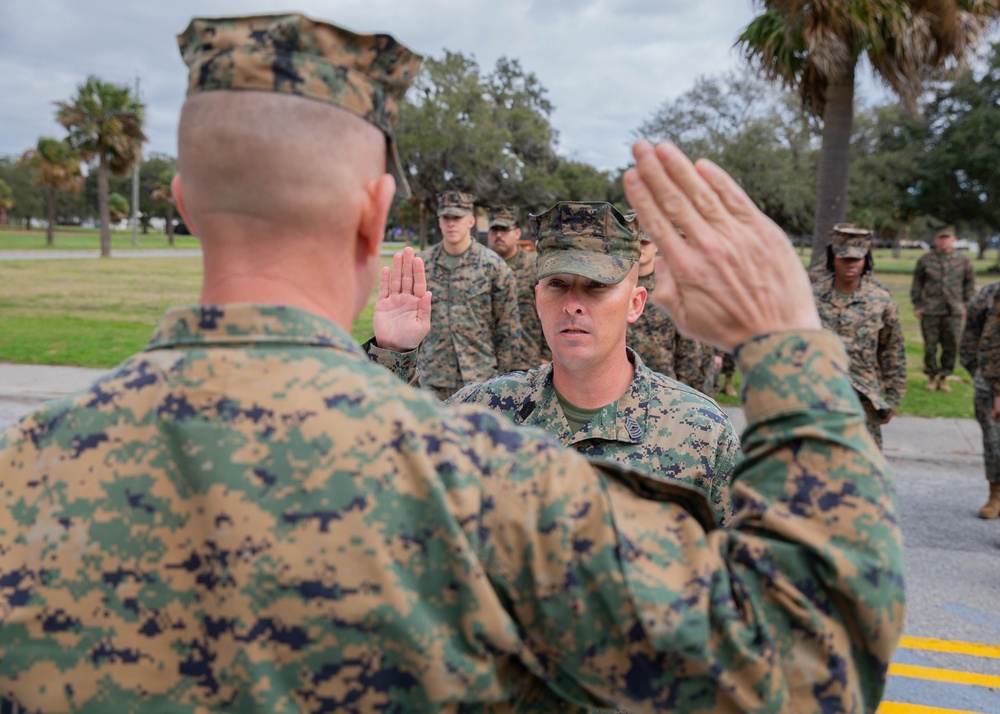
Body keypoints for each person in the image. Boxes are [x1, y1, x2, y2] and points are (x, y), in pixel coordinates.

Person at [0, 13, 905, 712]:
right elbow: (806, 669)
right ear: (375, 213)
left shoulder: (23, 473)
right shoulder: (481, 480)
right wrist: (788, 346)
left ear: (184, 204)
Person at [373, 202, 740, 525]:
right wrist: (394, 352)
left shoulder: (701, 434)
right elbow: (394, 468)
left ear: (635, 304)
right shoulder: (486, 410)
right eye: (558, 284)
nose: (572, 304)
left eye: (596, 286)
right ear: (538, 300)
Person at [415, 190, 521, 400]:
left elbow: (508, 327)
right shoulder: (421, 265)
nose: (451, 223)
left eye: (457, 217)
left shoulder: (493, 265)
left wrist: (502, 379)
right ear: (439, 221)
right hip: (431, 378)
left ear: (471, 221)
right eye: (446, 217)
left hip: (480, 379)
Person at [813, 224, 906, 449]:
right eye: (844, 259)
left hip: (864, 397)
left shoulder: (880, 300)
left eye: (857, 259)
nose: (850, 264)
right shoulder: (811, 298)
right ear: (833, 259)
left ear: (866, 261)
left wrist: (893, 397)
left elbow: (893, 349)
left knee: (866, 463)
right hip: (818, 395)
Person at [625, 229, 703, 387]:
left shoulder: (671, 289)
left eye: (645, 242)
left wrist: (682, 387)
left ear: (656, 246)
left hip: (662, 384)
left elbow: (688, 344)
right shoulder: (614, 288)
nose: (640, 247)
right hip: (621, 381)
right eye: (636, 241)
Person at [911, 225, 975, 392]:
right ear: (936, 240)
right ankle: (931, 377)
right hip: (930, 309)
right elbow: (917, 284)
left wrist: (967, 306)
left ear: (953, 239)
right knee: (930, 345)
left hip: (953, 310)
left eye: (947, 238)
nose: (944, 241)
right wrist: (918, 305)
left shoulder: (962, 260)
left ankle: (944, 377)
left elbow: (969, 284)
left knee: (951, 345)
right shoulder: (926, 259)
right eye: (941, 238)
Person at [486, 205, 549, 369]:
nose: (499, 235)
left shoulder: (533, 266)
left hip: (525, 359)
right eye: (494, 230)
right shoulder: (480, 268)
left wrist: (547, 353)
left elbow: (549, 309)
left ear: (517, 233)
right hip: (486, 360)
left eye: (504, 229)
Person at [960, 280, 1000, 518]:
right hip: (990, 381)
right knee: (994, 442)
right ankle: (996, 494)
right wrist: (987, 380)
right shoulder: (987, 296)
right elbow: (971, 341)